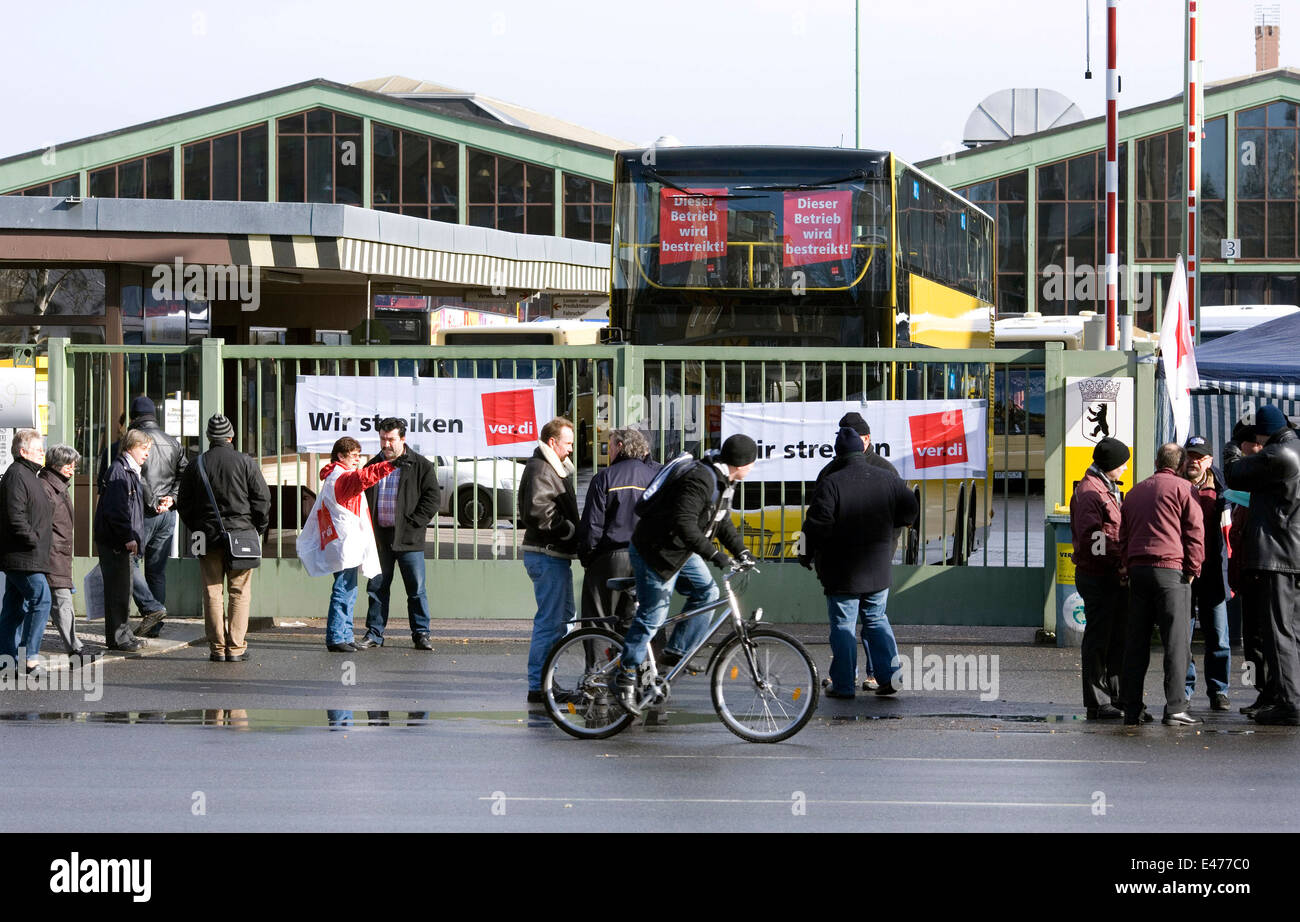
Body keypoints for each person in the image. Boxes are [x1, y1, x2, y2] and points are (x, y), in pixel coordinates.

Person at [615, 434, 759, 715]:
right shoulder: (701, 478)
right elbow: (684, 523)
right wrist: (715, 555)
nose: (753, 467)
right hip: (654, 551)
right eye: (752, 462)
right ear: (741, 462)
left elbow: (721, 522)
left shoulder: (724, 483)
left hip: (680, 551)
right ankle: (626, 675)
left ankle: (675, 654)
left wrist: (742, 552)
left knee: (708, 593)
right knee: (652, 616)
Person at [803, 426, 919, 700]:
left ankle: (843, 685)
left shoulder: (831, 482)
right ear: (862, 449)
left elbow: (816, 524)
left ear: (838, 453)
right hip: (877, 568)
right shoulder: (887, 478)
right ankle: (890, 678)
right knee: (877, 620)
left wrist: (804, 554)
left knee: (843, 626)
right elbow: (910, 509)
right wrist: (893, 524)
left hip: (841, 571)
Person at [1223, 404, 1300, 725]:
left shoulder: (1278, 454)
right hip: (1290, 553)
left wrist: (1231, 448)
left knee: (1278, 632)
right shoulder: (1292, 448)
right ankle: (1285, 695)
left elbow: (1235, 474)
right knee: (1291, 631)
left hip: (1278, 555)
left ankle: (1289, 702)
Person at [1118, 442, 1204, 727]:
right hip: (1171, 572)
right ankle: (1176, 707)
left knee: (1136, 642)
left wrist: (1127, 566)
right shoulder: (1184, 490)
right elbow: (1194, 532)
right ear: (1180, 465)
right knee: (1176, 643)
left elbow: (1123, 535)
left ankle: (1132, 707)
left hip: (1139, 571)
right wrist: (1193, 569)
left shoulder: (1134, 492)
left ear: (1156, 461)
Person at [177, 414, 271, 663]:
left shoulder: (196, 465)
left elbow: (183, 504)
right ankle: (236, 647)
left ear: (209, 437)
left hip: (207, 536)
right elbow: (262, 499)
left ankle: (217, 648)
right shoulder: (245, 462)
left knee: (212, 591)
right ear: (231, 436)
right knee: (239, 591)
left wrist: (199, 525)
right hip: (241, 534)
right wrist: (257, 528)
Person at [296, 436, 400, 653]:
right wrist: (390, 465)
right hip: (346, 544)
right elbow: (364, 478)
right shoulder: (342, 478)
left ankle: (345, 634)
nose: (357, 460)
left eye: (358, 455)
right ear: (341, 456)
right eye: (353, 456)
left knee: (349, 589)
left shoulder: (334, 476)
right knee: (344, 589)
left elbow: (362, 476)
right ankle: (336, 637)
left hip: (344, 543)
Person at [357, 418, 440, 652]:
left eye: (391, 439)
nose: (386, 444)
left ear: (403, 439)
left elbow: (432, 498)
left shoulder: (420, 465)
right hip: (379, 539)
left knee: (416, 589)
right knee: (377, 587)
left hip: (408, 538)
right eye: (383, 438)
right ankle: (374, 633)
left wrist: (414, 524)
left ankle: (421, 633)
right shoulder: (372, 465)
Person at [519, 418, 581, 704]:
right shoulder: (542, 468)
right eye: (568, 443)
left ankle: (546, 681)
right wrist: (569, 530)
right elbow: (539, 512)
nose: (571, 449)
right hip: (547, 554)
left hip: (551, 554)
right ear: (552, 442)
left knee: (563, 620)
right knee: (551, 622)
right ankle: (539, 685)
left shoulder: (546, 467)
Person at [576, 428, 660, 635]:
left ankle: (596, 666)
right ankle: (629, 665)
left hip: (610, 558)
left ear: (620, 446)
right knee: (634, 620)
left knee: (598, 621)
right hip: (644, 558)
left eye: (610, 445)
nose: (609, 451)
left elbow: (592, 525)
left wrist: (588, 558)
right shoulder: (655, 476)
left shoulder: (605, 478)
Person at [1070, 436, 1130, 719]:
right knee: (1098, 639)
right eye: (1123, 464)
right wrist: (1115, 564)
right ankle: (1098, 700)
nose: (1126, 469)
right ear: (1110, 465)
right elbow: (1094, 538)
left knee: (1115, 636)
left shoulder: (1103, 487)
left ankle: (1116, 697)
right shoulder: (1091, 493)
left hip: (1107, 573)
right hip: (1098, 575)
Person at [121, 397, 187, 638]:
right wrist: (171, 498)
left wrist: (152, 502)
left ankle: (152, 609)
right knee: (156, 571)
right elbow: (184, 475)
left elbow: (135, 475)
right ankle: (155, 625)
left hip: (142, 512)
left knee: (129, 561)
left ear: (134, 417)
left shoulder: (134, 442)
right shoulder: (173, 443)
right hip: (167, 514)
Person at [1182, 435, 1232, 711]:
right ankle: (1185, 690)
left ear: (1210, 461)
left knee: (1219, 636)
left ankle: (1219, 690)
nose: (1194, 461)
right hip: (1184, 572)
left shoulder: (1222, 489)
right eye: (1190, 455)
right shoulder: (1177, 487)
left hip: (1214, 571)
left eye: (1200, 456)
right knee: (1183, 636)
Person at [0, 429, 54, 671]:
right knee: (41, 599)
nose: (42, 452)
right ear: (23, 451)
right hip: (23, 554)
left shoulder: (28, 475)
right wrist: (32, 539)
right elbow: (15, 515)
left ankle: (6, 658)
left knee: (13, 608)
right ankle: (28, 657)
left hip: (26, 554)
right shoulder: (17, 475)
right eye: (38, 448)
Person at [94, 429, 152, 654]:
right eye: (143, 449)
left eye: (148, 450)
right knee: (118, 591)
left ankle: (123, 633)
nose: (146, 454)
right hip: (116, 542)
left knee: (123, 589)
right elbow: (117, 510)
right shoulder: (120, 471)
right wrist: (128, 536)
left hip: (119, 540)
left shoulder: (128, 470)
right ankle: (119, 638)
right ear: (131, 447)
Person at [1224, 422, 1268, 714]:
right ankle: (1262, 693)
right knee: (1253, 642)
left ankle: (1270, 693)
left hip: (1263, 572)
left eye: (1247, 444)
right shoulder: (1246, 487)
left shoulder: (1266, 478)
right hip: (1248, 574)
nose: (1243, 450)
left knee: (1266, 639)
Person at [39, 444, 87, 660]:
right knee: (62, 603)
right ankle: (75, 649)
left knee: (56, 604)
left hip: (58, 555)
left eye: (73, 464)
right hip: (53, 556)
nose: (72, 468)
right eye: (69, 464)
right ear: (56, 465)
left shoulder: (58, 486)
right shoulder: (47, 488)